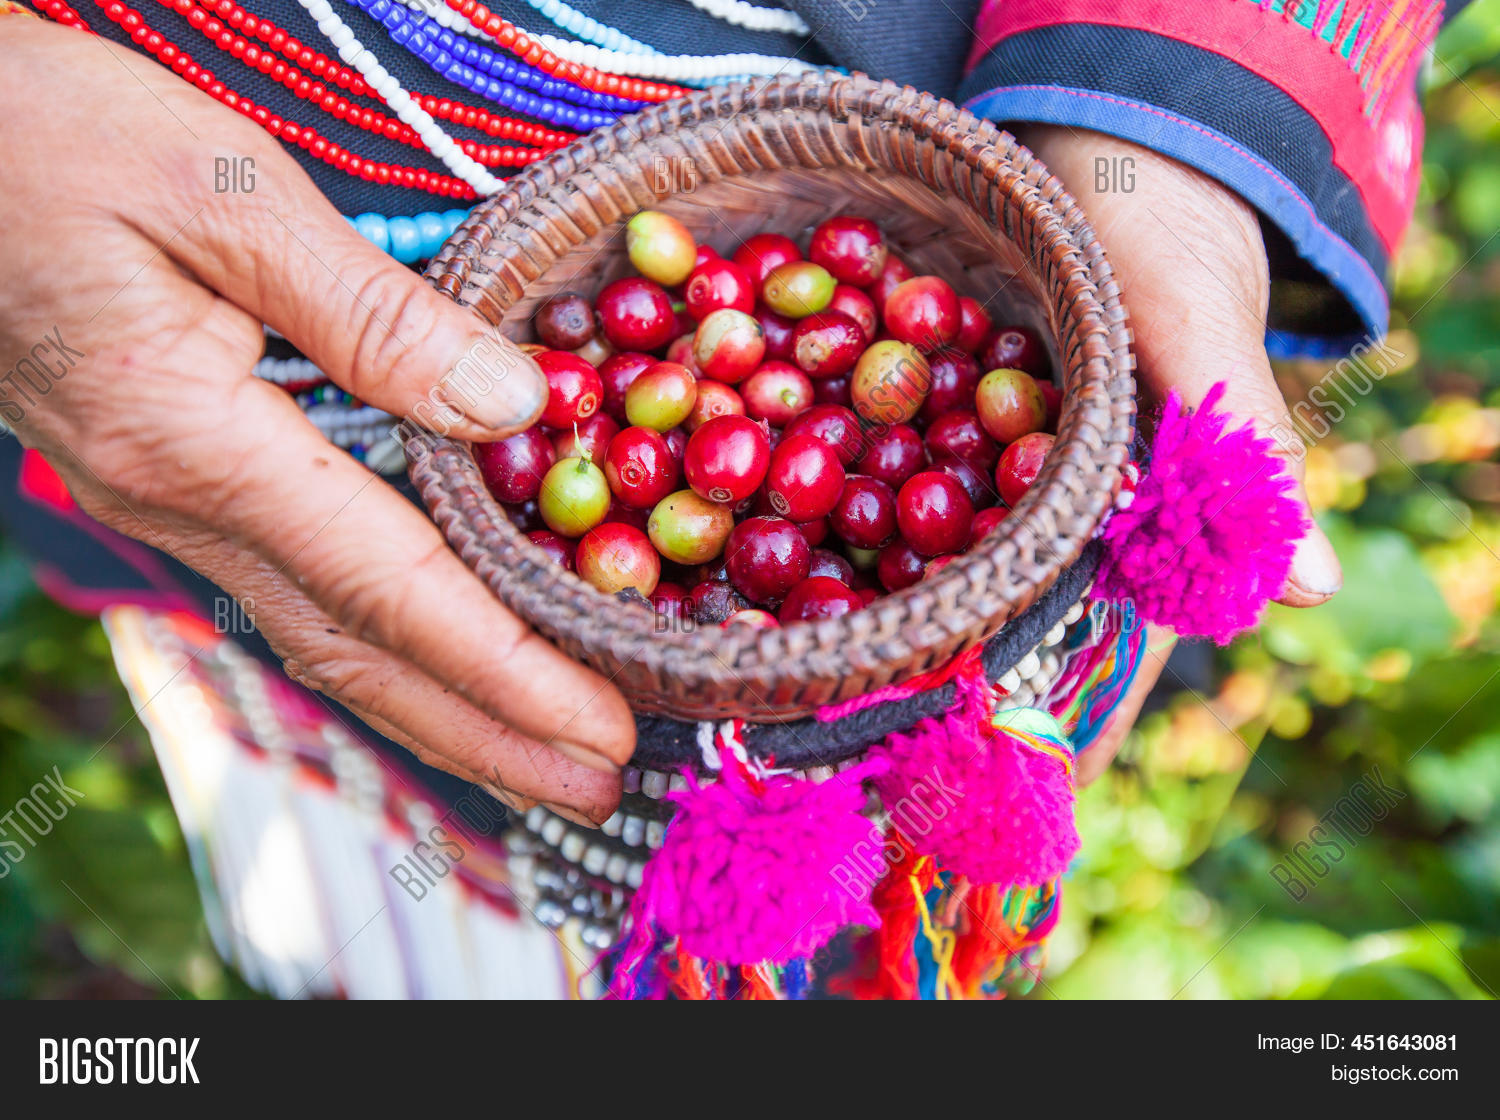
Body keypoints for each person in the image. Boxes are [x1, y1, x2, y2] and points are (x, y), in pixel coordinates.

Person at [0, 0, 1454, 826]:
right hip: (169, 360)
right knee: (356, 779)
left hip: (974, 162)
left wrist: (1164, 105)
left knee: (887, 838)